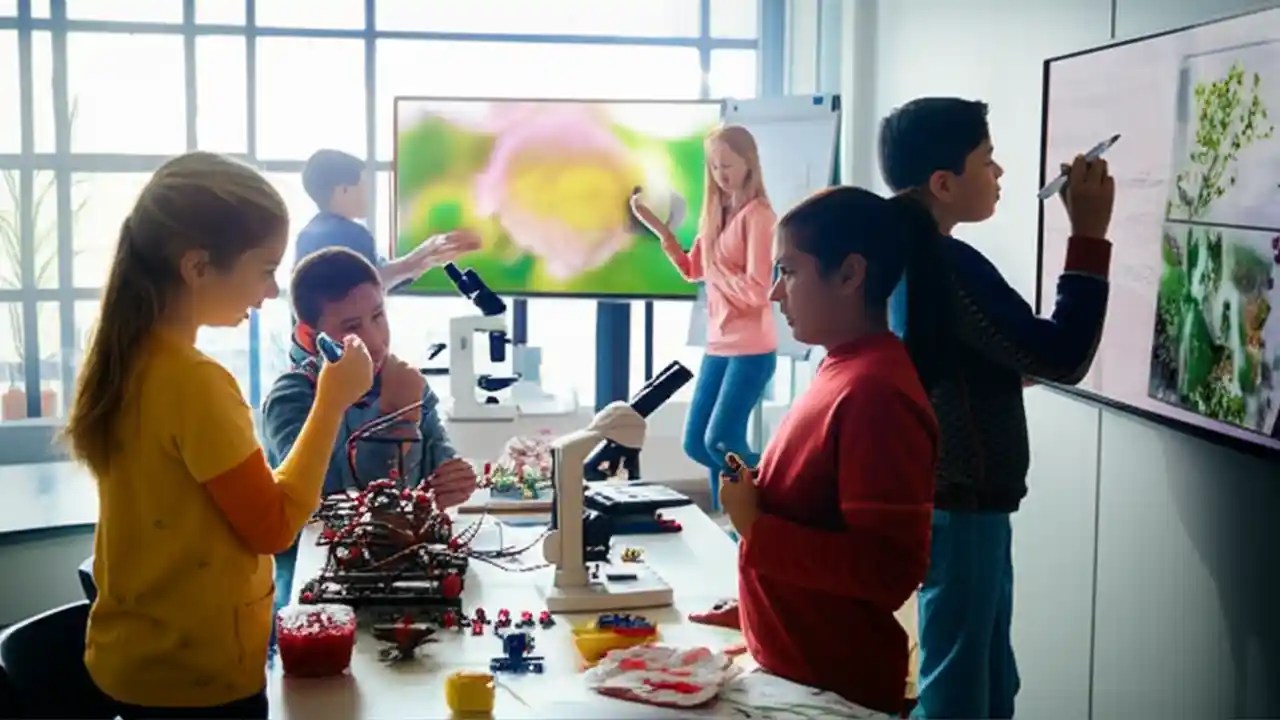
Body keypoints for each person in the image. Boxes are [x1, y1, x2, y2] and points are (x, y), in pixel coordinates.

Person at [62, 151, 374, 718]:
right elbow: (274, 526)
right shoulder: (195, 383)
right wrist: (332, 401)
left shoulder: (131, 358)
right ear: (198, 266)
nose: (273, 291)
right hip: (196, 678)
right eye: (264, 269)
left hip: (137, 659)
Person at [878, 96, 1115, 719]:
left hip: (948, 496)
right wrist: (1089, 235)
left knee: (981, 679)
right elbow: (1062, 357)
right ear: (943, 183)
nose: (1001, 173)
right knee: (962, 686)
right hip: (961, 502)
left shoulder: (896, 251)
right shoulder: (942, 262)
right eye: (988, 160)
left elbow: (953, 360)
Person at [719, 185, 938, 716]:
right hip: (791, 671)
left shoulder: (876, 391)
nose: (774, 293)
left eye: (788, 271)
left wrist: (757, 529)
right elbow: (820, 516)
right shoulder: (839, 367)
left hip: (832, 692)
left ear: (849, 274)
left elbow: (887, 571)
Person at [261, 246, 478, 621]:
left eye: (378, 316)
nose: (376, 339)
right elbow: (337, 511)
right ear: (310, 336)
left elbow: (438, 469)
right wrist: (398, 416)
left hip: (405, 578)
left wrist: (455, 480)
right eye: (352, 327)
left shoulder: (407, 382)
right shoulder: (293, 397)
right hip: (316, 588)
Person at [629, 124, 777, 512]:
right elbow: (694, 269)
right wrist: (659, 228)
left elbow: (757, 291)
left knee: (722, 441)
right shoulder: (716, 211)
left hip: (751, 348)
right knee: (698, 442)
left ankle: (783, 486)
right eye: (713, 167)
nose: (720, 175)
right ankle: (736, 522)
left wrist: (716, 269)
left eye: (727, 165)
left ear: (749, 163)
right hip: (719, 344)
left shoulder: (759, 216)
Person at [297, 148, 481, 285]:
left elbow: (383, 276)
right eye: (364, 186)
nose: (370, 193)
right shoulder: (350, 234)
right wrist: (422, 255)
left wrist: (425, 256)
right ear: (343, 190)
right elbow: (374, 282)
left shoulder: (309, 235)